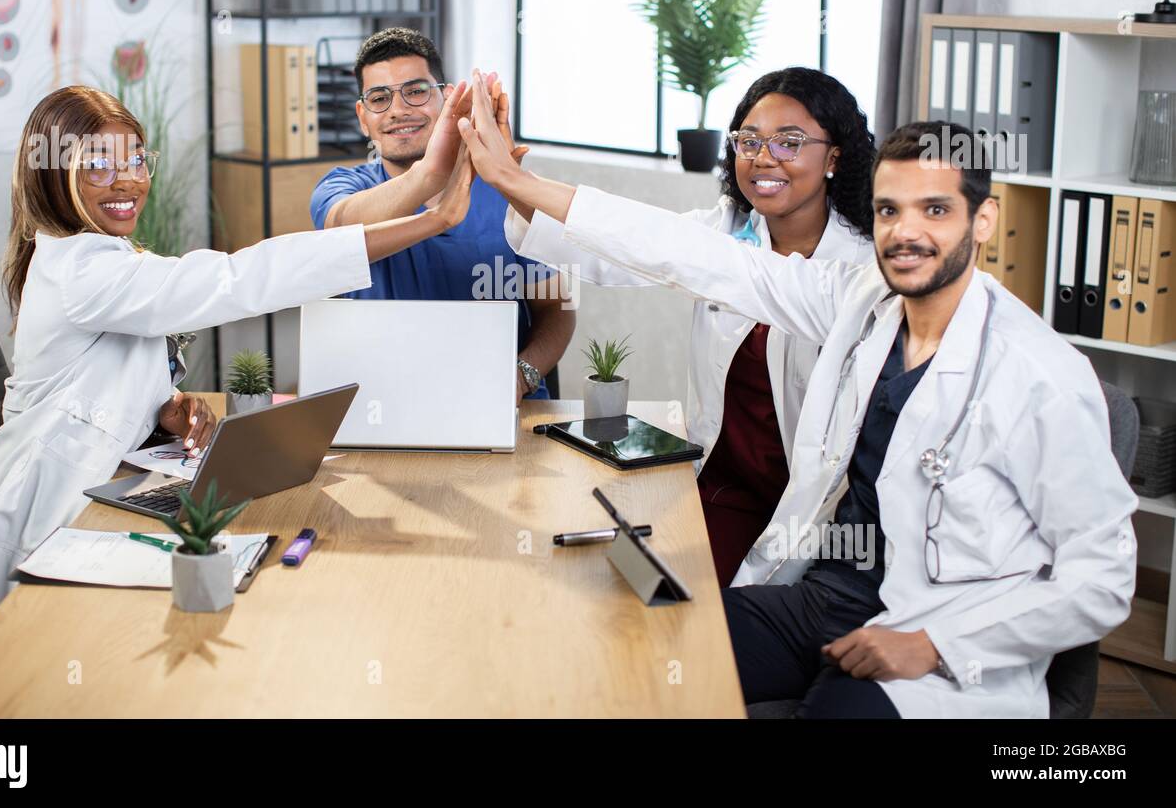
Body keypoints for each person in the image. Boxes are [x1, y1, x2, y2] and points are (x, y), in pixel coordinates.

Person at [461, 81, 1136, 719]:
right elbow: (695, 256)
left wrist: (934, 645)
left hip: (940, 629)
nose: (906, 233)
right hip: (828, 598)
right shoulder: (857, 297)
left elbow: (1101, 581)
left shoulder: (1042, 374)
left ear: (983, 219)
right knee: (640, 643)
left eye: (935, 210)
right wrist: (518, 184)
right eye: (889, 210)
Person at [0, 85, 477, 670]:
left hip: (101, 485)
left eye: (136, 159)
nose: (127, 180)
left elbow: (96, 376)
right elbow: (237, 280)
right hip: (47, 513)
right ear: (52, 175)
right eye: (100, 165)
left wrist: (164, 404)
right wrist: (432, 219)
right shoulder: (78, 266)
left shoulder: (105, 257)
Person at [502, 68, 876, 585]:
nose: (764, 157)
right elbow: (617, 251)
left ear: (834, 157)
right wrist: (509, 182)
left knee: (739, 624)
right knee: (637, 589)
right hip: (726, 488)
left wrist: (516, 180)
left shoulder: (862, 268)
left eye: (790, 143)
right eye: (750, 140)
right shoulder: (726, 230)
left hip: (818, 509)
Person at [311, 28, 574, 403]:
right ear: (362, 116)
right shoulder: (341, 188)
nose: (398, 109)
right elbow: (341, 229)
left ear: (449, 99)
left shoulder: (507, 192)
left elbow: (555, 307)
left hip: (504, 408)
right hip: (385, 407)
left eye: (416, 92)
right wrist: (432, 174)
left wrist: (521, 376)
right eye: (379, 98)